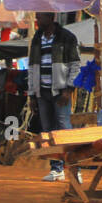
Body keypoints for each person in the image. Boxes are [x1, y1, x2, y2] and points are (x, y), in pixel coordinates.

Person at [27, 11, 81, 182]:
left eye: (40, 17)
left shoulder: (67, 37)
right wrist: (32, 95)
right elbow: (31, 67)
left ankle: (74, 168)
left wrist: (68, 89)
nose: (37, 20)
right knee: (48, 132)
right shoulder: (37, 38)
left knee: (65, 130)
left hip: (60, 92)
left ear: (51, 18)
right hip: (42, 93)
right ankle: (56, 169)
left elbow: (75, 65)